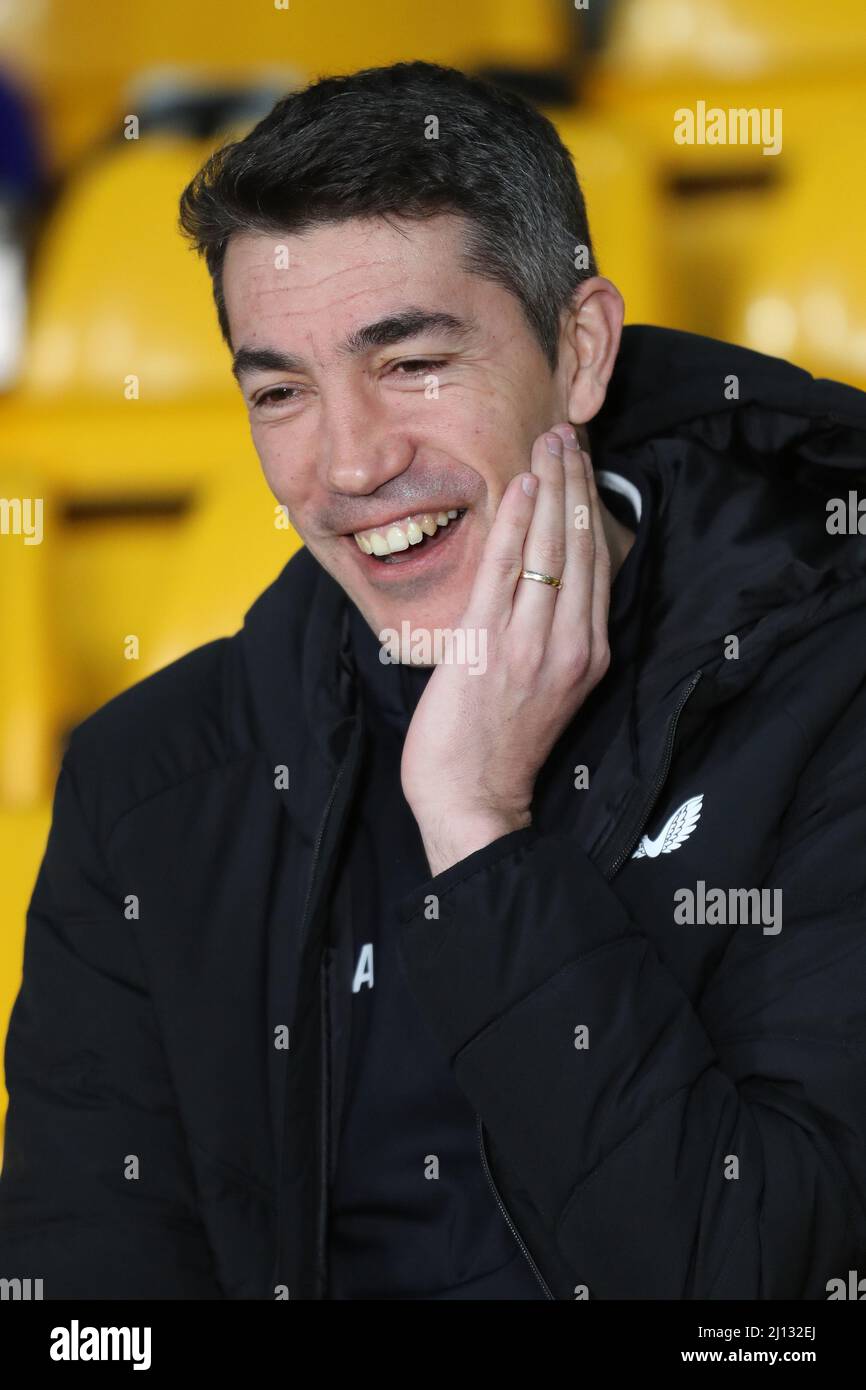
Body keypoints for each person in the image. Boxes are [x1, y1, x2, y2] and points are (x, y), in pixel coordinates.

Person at [2, 59, 866, 1301]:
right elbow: (88, 1312)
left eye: (410, 364)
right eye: (281, 391)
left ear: (579, 351)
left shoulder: (828, 691)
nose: (350, 463)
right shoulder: (153, 786)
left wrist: (476, 831)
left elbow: (748, 1287)